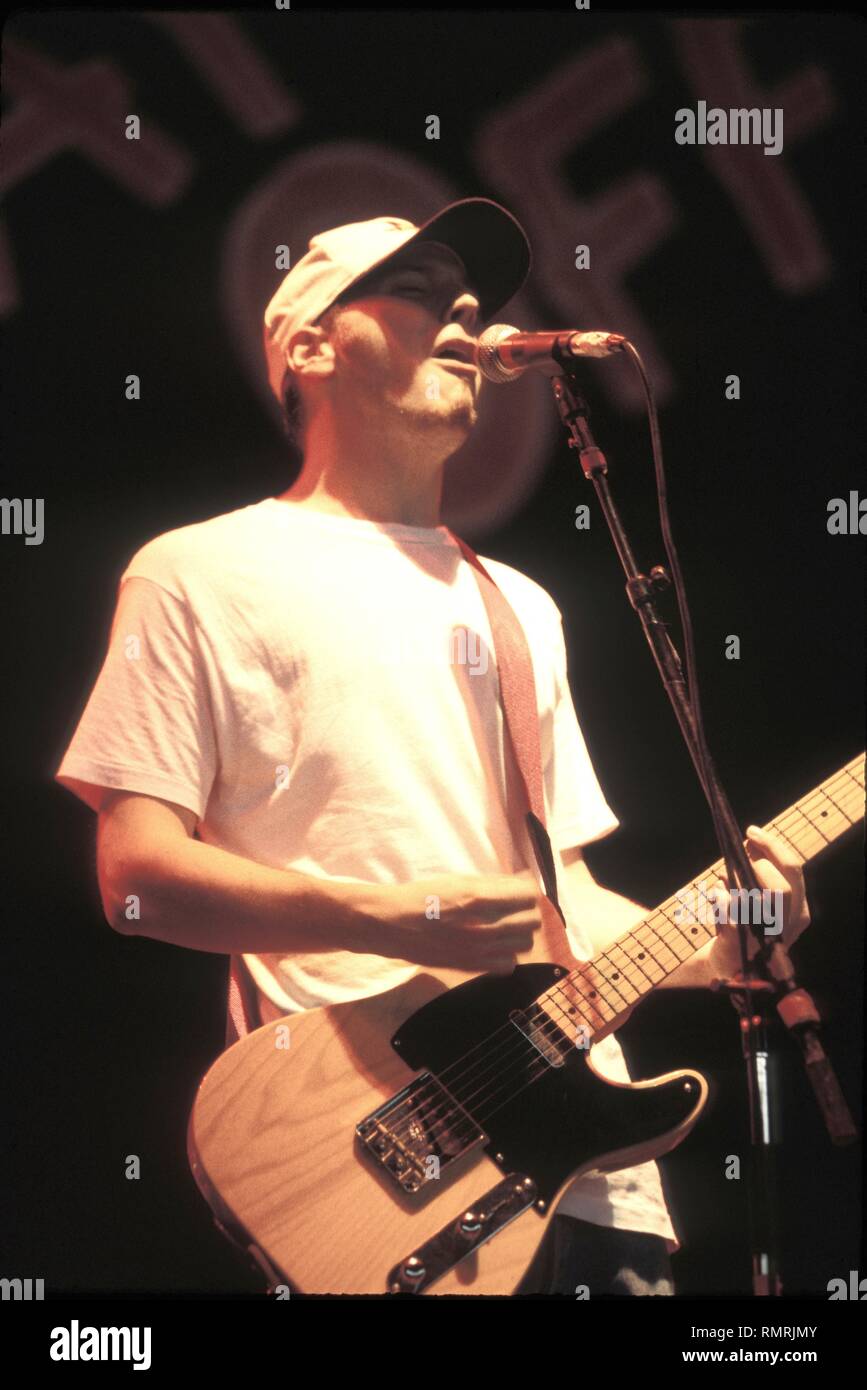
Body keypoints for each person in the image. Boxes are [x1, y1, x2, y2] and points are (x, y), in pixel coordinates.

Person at [54, 197, 811, 1297]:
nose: (463, 312)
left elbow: (566, 908)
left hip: (593, 1182)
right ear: (308, 344)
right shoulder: (197, 572)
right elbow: (135, 881)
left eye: (470, 298)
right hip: (379, 1173)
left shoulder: (520, 604)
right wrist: (392, 917)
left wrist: (729, 936)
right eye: (414, 289)